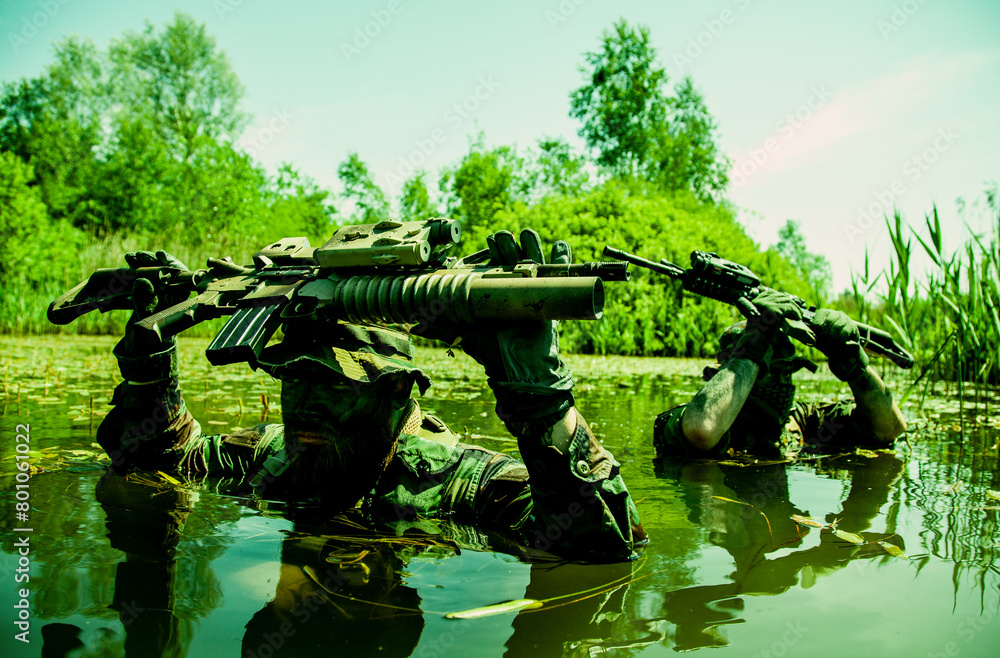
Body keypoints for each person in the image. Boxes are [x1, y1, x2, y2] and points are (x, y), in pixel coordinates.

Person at [96, 228, 646, 562]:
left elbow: (599, 546)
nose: (305, 404)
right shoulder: (272, 453)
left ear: (397, 390)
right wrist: (150, 371)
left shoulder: (463, 484)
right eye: (294, 378)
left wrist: (544, 405)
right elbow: (162, 462)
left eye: (333, 383)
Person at [653, 289, 907, 459]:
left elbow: (888, 429)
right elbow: (701, 431)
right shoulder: (685, 420)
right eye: (766, 372)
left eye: (787, 372)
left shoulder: (803, 420)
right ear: (718, 374)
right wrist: (755, 347)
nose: (781, 383)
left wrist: (854, 365)